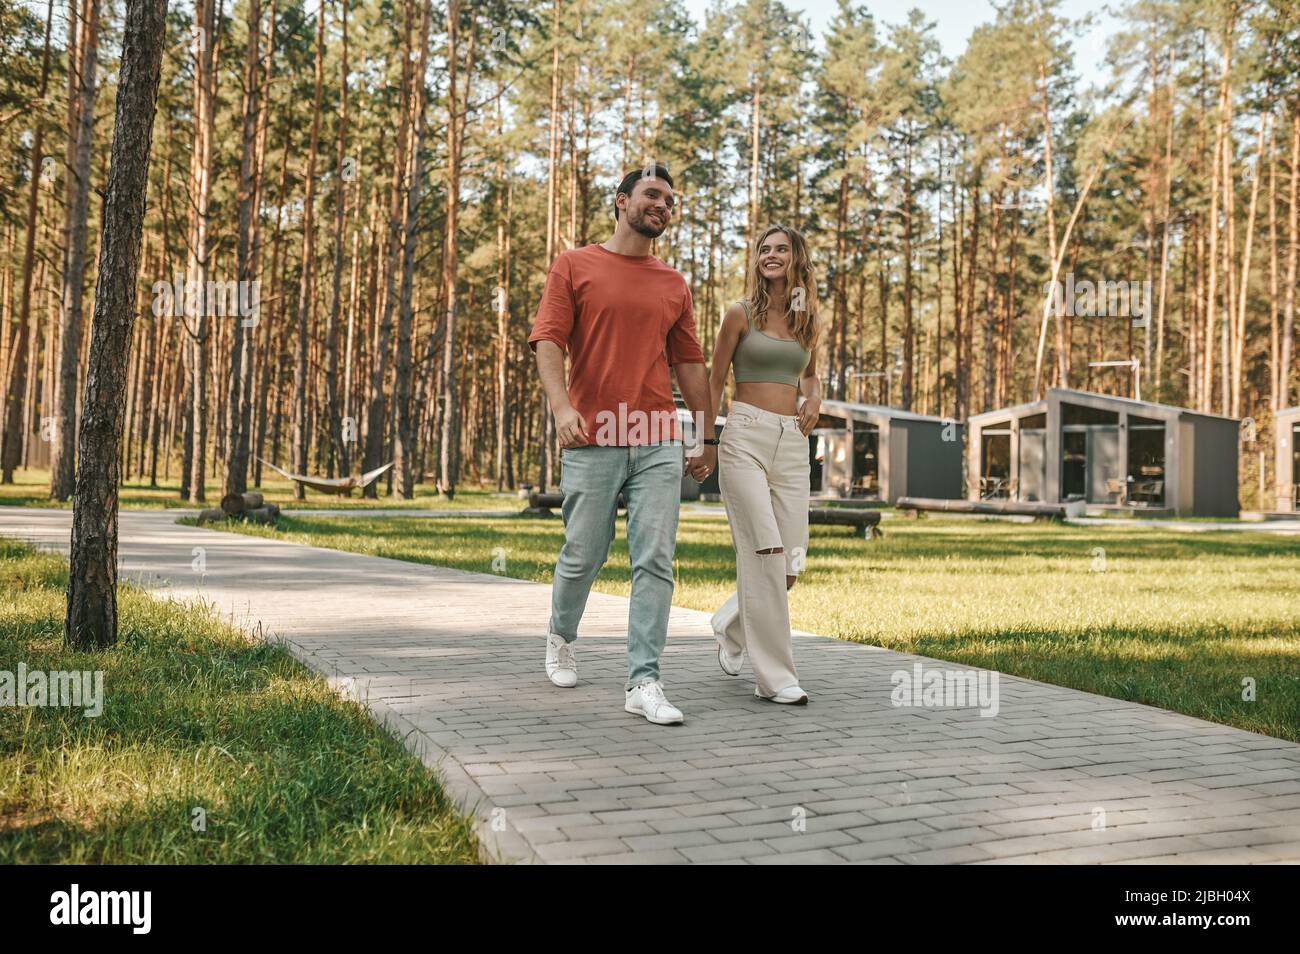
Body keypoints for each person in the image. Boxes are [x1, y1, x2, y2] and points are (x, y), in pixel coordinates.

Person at [527, 164, 717, 726]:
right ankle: (561, 636)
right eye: (652, 195)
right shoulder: (575, 265)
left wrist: (705, 434)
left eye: (670, 200)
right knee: (584, 553)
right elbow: (548, 340)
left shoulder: (672, 283)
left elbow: (689, 363)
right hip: (593, 433)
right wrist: (562, 407)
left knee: (654, 559)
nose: (663, 204)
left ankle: (644, 681)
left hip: (657, 434)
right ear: (621, 201)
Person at [706, 224, 821, 705]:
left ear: (797, 259)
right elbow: (713, 381)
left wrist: (815, 399)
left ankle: (730, 626)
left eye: (779, 249)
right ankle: (775, 677)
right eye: (763, 250)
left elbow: (811, 377)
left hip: (792, 444)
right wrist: (705, 441)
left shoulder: (806, 317)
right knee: (766, 553)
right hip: (744, 436)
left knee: (790, 563)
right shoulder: (739, 315)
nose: (769, 256)